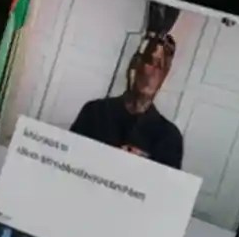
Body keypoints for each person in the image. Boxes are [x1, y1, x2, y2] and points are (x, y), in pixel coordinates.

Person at [69, 33, 185, 169]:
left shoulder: (170, 137)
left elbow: (166, 187)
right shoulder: (94, 111)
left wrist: (142, 165)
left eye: (160, 66)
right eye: (148, 61)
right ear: (134, 64)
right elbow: (67, 159)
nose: (152, 73)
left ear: (165, 76)